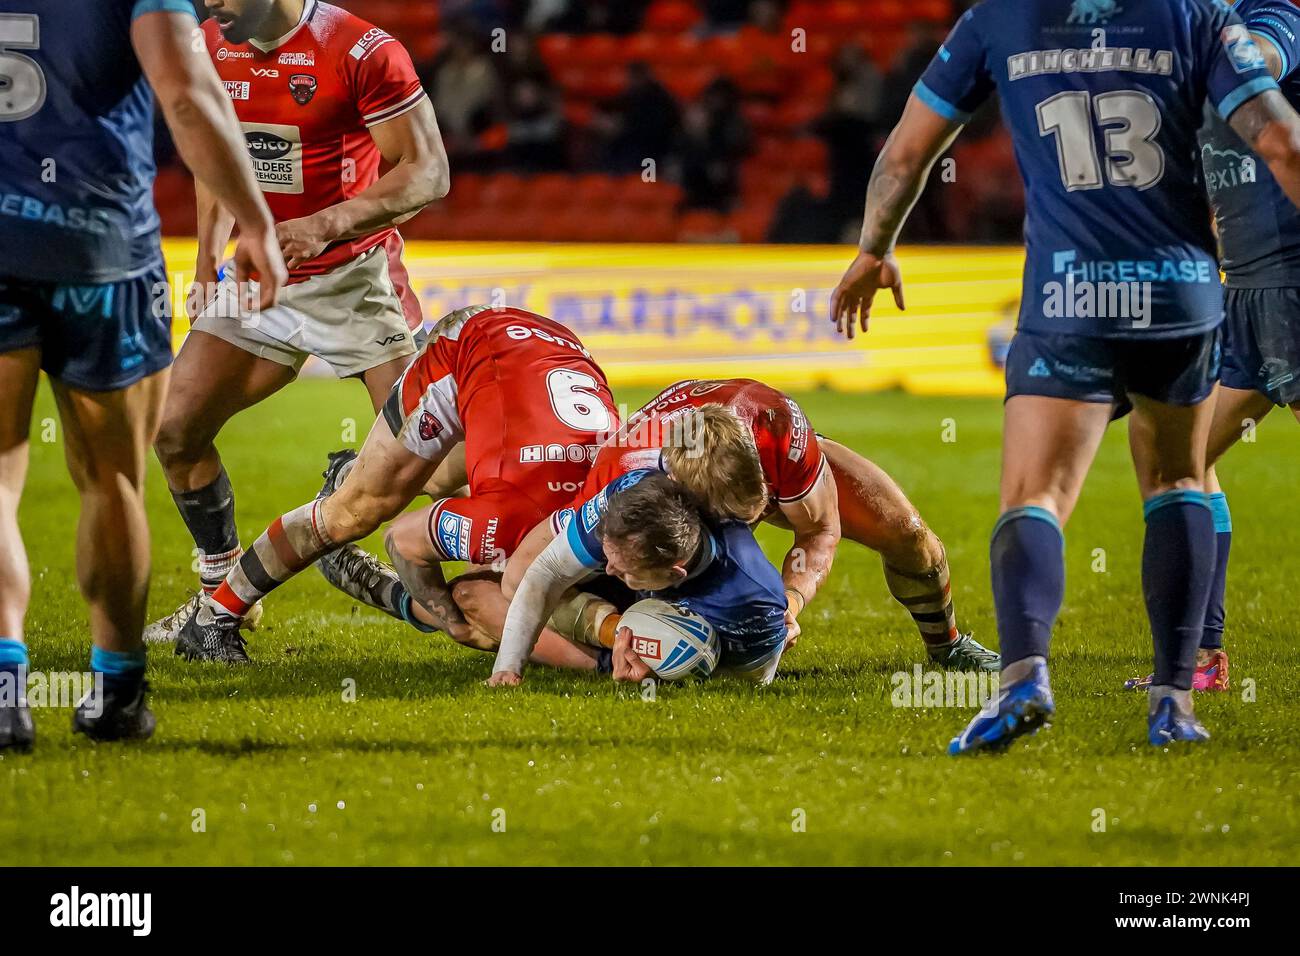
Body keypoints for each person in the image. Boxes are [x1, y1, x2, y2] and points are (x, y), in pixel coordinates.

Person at [830, 0, 1300, 751]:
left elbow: (903, 156)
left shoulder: (1002, 16)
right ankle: (1176, 703)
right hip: (1179, 295)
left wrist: (873, 247)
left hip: (1066, 293)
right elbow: (1282, 142)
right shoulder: (1198, 16)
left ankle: (1023, 681)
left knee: (1035, 494)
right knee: (1179, 478)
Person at [0, 0, 286, 749]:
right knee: (111, 480)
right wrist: (253, 224)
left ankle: (5, 692)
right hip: (101, 250)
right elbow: (187, 93)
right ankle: (118, 689)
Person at [145, 0, 450, 645]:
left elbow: (428, 171)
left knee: (435, 463)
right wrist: (206, 256)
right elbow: (216, 156)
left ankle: (538, 570)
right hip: (261, 277)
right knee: (174, 432)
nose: (209, 3)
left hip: (356, 282)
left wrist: (323, 225)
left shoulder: (364, 52)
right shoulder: (205, 43)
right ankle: (219, 596)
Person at [174, 305, 618, 668]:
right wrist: (448, 620)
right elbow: (404, 542)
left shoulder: (630, 496)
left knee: (449, 483)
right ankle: (215, 618)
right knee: (356, 511)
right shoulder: (501, 523)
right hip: (464, 348)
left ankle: (364, 479)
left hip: (544, 353)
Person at [547, 379, 997, 670]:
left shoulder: (778, 430)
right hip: (666, 488)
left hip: (739, 443)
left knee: (907, 533)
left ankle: (948, 645)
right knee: (577, 587)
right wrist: (620, 632)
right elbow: (541, 578)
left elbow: (819, 530)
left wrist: (790, 603)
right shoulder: (626, 484)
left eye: (757, 509)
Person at [1126, 0, 1300, 694]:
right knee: (1173, 452)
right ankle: (1203, 655)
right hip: (1246, 293)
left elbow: (1260, 59)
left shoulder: (1270, 12)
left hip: (1294, 278)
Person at [487, 470, 791, 687]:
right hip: (647, 577)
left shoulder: (751, 600)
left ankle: (606, 660)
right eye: (609, 558)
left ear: (674, 572)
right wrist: (506, 669)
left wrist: (666, 672)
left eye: (624, 570)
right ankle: (616, 631)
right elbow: (547, 572)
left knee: (484, 604)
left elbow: (750, 684)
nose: (608, 570)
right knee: (492, 587)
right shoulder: (632, 494)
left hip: (715, 620)